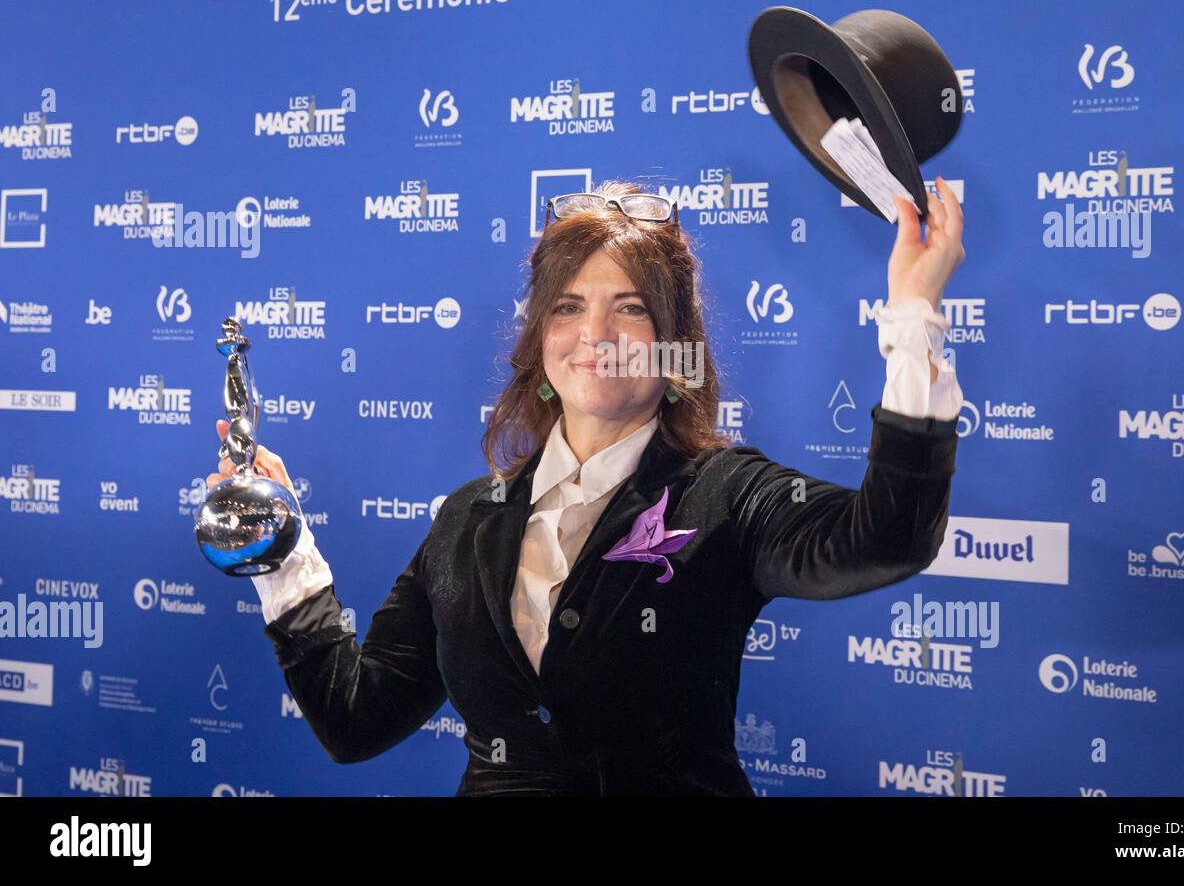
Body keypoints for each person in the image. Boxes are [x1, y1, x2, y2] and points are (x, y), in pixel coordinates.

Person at [206, 178, 966, 796]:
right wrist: (281, 553)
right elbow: (355, 722)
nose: (594, 335)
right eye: (567, 307)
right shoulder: (467, 521)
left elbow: (887, 539)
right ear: (540, 341)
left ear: (676, 347)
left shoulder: (730, 494)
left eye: (630, 308)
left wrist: (912, 315)